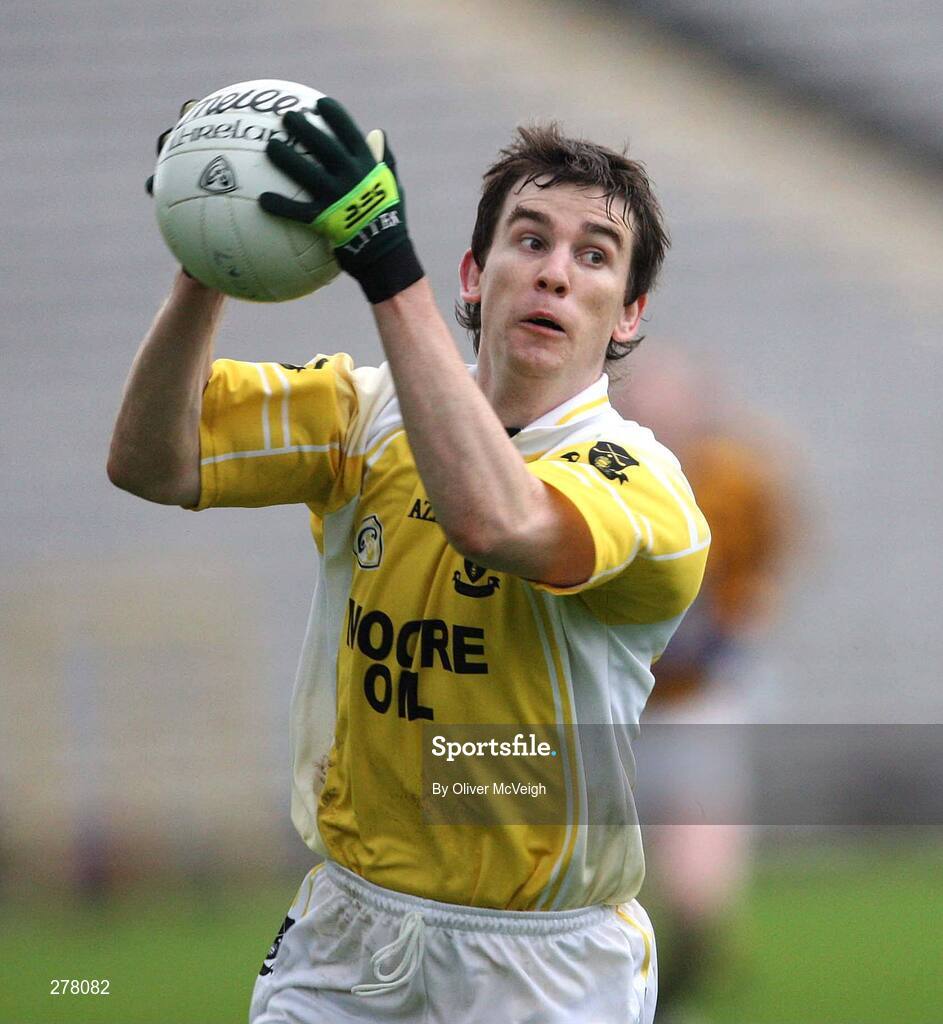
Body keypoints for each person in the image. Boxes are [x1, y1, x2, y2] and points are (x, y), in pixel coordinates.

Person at [108, 98, 709, 1024]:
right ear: (474, 274)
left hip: (542, 966)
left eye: (593, 256)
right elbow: (152, 460)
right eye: (529, 240)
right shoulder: (361, 414)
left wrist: (389, 270)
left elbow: (494, 521)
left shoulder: (643, 485)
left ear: (628, 316)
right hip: (347, 935)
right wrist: (207, 254)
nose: (554, 273)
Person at [612, 346, 795, 1021]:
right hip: (610, 707)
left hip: (693, 705)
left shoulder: (735, 480)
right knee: (598, 885)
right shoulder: (601, 477)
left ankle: (675, 987)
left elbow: (769, 564)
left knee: (696, 895)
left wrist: (737, 626)